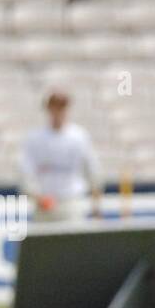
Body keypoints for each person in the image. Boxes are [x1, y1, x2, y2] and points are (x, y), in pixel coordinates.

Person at [20, 91, 102, 222]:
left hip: (71, 202)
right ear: (48, 109)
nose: (58, 112)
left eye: (61, 107)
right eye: (54, 107)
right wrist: (37, 196)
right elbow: (26, 172)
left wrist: (96, 205)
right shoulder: (35, 138)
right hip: (44, 204)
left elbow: (92, 171)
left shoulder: (79, 136)